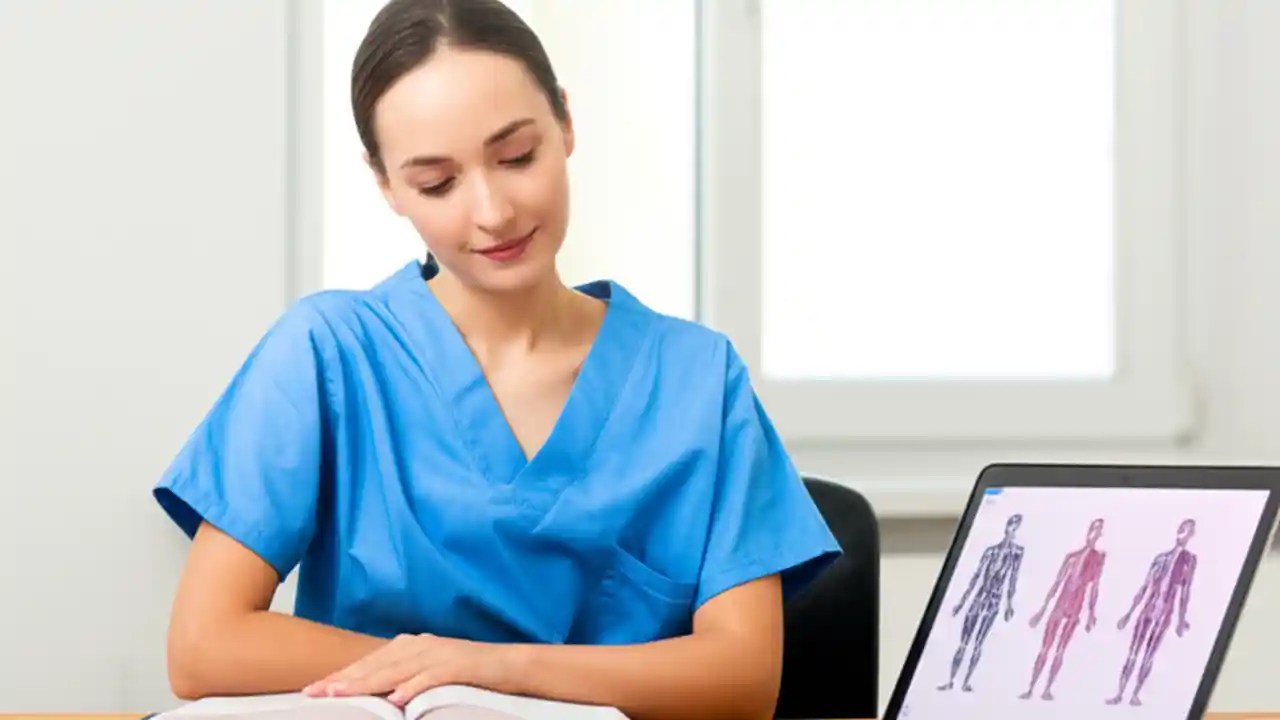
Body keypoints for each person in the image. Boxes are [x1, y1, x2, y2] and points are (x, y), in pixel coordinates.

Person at [152, 1, 841, 718]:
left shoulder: (697, 379)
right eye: (437, 184)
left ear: (566, 124)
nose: (492, 212)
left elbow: (743, 679)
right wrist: (435, 673)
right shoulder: (328, 351)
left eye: (517, 157)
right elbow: (203, 647)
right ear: (386, 184)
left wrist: (488, 668)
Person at [1020, 518, 1106, 701]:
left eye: (1098, 531)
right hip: (1060, 605)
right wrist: (1042, 609)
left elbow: (1094, 587)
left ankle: (1047, 689)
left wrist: (1091, 613)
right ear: (1088, 531)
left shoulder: (1098, 559)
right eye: (1093, 530)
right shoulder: (1072, 557)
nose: (1094, 535)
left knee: (1060, 650)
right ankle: (1031, 688)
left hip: (1075, 608)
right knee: (1045, 648)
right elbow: (1057, 582)